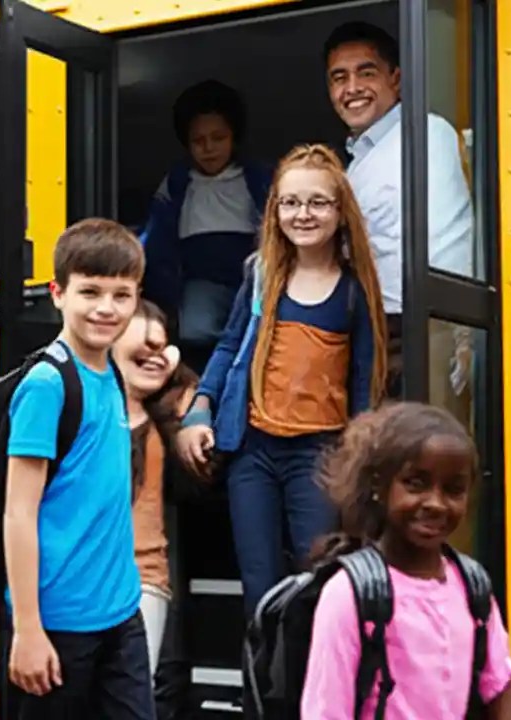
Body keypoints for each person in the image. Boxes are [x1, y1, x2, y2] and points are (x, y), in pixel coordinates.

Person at [175, 143, 389, 616]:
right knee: (259, 583)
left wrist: (359, 459)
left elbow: (363, 382)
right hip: (252, 451)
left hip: (319, 453)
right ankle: (263, 669)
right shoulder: (262, 274)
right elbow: (230, 346)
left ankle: (313, 667)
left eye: (318, 202)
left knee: (318, 578)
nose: (303, 214)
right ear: (274, 210)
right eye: (290, 202)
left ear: (341, 211)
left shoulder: (353, 290)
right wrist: (200, 407)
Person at [3, 218, 155, 719]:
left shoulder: (111, 372)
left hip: (120, 612)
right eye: (90, 292)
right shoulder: (48, 385)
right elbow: (18, 513)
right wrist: (28, 629)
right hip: (59, 622)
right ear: (58, 294)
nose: (106, 308)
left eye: (122, 295)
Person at [300, 402, 511, 719]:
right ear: (379, 486)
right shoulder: (350, 595)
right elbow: (326, 710)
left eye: (453, 490)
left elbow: (500, 684)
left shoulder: (471, 586)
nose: (436, 503)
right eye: (416, 484)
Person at [323, 21, 475, 397]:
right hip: (374, 330)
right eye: (339, 78)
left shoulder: (424, 134)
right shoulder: (358, 162)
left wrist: (459, 334)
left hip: (421, 327)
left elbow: (446, 243)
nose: (352, 88)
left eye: (366, 73)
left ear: (397, 80)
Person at [138, 79, 273, 373]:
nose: (209, 148)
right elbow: (155, 240)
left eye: (218, 137)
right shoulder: (177, 184)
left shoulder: (259, 179)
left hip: (254, 283)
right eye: (198, 141)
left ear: (234, 137)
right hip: (200, 287)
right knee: (196, 330)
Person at [113, 299, 202, 706]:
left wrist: (193, 418)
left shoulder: (169, 413)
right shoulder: (87, 409)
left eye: (161, 348)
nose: (154, 358)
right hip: (86, 579)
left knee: (130, 697)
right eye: (141, 350)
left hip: (143, 578)